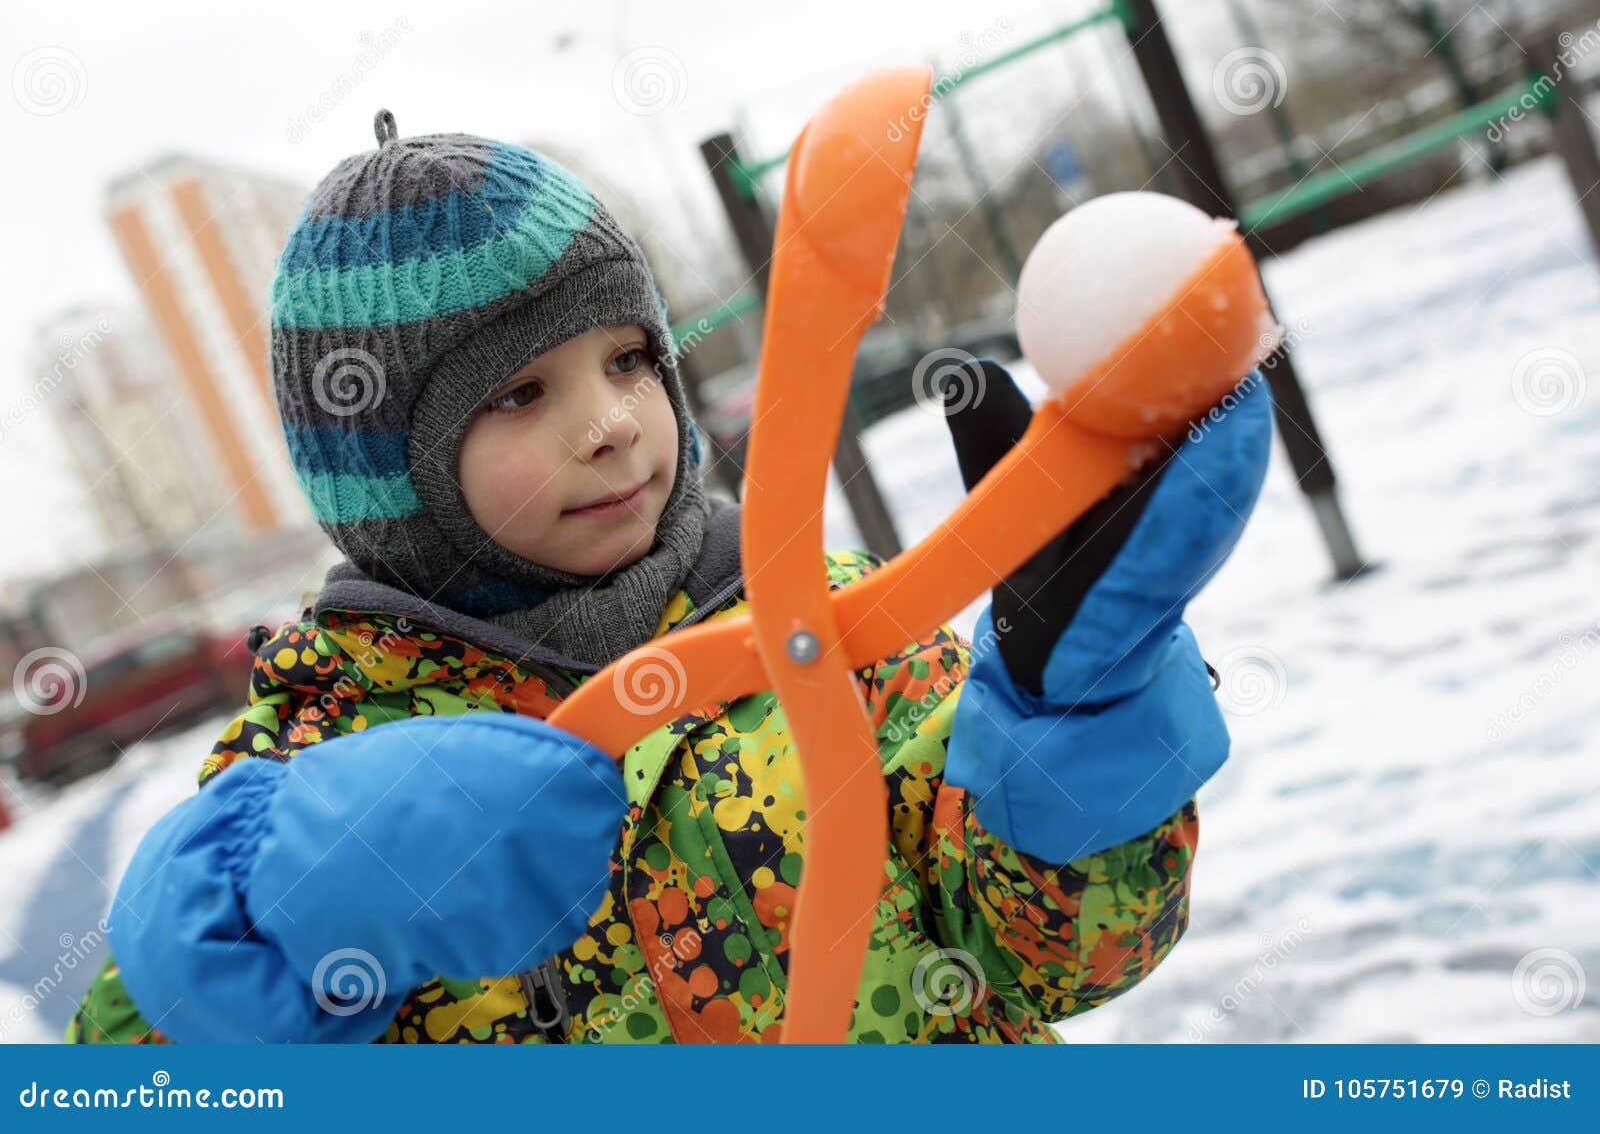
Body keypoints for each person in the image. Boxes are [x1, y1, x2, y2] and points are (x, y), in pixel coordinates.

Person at [66, 108, 1270, 1044]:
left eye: (630, 359)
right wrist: (263, 918)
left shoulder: (828, 622)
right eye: (517, 393)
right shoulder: (317, 757)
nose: (611, 426)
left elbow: (1057, 952)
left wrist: (1080, 722)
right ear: (385, 469)